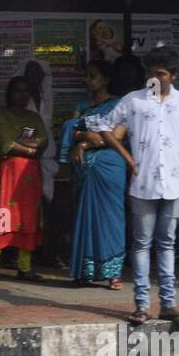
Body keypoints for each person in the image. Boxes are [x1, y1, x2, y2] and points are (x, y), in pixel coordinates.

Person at [96, 47, 179, 327]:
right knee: (141, 244)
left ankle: (169, 304)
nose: (155, 78)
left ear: (172, 76)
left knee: (167, 243)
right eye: (151, 73)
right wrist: (127, 157)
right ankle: (141, 304)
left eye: (160, 74)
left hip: (174, 182)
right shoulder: (133, 100)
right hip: (142, 183)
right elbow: (104, 126)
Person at [58, 60, 125, 289]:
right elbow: (73, 131)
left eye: (93, 76)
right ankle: (84, 272)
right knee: (84, 219)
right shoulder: (82, 105)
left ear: (105, 79)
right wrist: (84, 139)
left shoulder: (118, 104)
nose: (88, 80)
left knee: (111, 218)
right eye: (86, 76)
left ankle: (113, 272)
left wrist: (83, 143)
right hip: (85, 171)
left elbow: (113, 137)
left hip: (109, 167)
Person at [0, 75, 49, 280]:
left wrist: (25, 148)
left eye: (26, 90)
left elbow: (42, 142)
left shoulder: (33, 118)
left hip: (30, 174)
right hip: (8, 172)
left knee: (28, 216)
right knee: (3, 214)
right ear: (9, 92)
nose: (21, 94)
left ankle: (24, 267)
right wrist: (28, 148)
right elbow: (5, 142)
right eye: (17, 90)